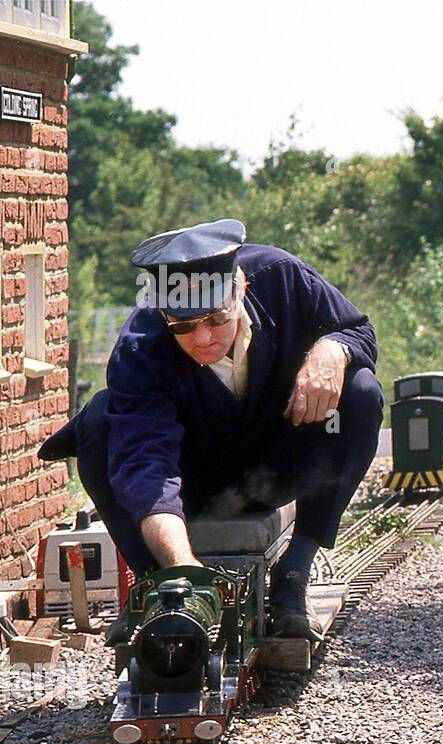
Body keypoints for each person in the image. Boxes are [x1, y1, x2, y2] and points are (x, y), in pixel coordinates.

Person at [39, 219, 383, 640]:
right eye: (183, 326)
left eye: (216, 318)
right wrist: (181, 569)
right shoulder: (140, 349)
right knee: (98, 421)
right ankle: (154, 585)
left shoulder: (282, 276)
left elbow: (357, 329)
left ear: (241, 288)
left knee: (361, 392)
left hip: (277, 468)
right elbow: (146, 466)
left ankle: (294, 571)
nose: (202, 338)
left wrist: (334, 349)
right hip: (192, 482)